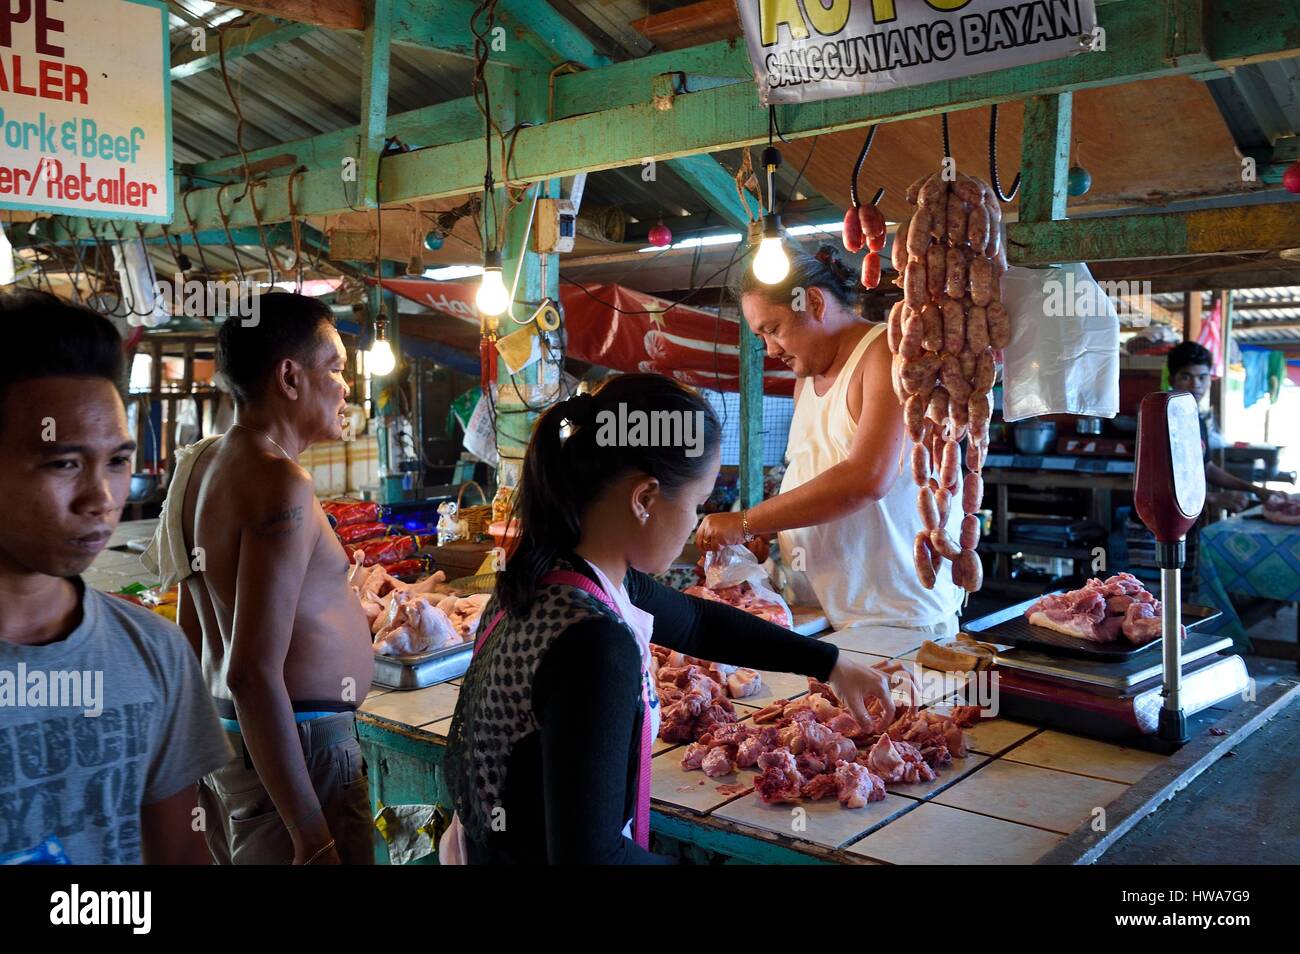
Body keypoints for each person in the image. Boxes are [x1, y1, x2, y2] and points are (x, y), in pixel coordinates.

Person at [443, 374, 896, 864]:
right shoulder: (592, 643)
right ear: (644, 499)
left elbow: (700, 623)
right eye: (698, 504)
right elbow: (591, 860)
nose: (696, 523)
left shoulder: (554, 572)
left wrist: (830, 662)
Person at [144, 293, 375, 865]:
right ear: (290, 377)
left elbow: (192, 635)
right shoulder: (281, 484)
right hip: (299, 753)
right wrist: (311, 835)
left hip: (238, 748)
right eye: (337, 369)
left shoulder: (200, 464)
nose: (347, 387)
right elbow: (251, 672)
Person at [0, 291, 230, 864]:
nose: (101, 499)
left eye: (117, 461)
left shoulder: (152, 652)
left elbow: (180, 852)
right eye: (64, 463)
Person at [696, 249, 964, 637]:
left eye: (773, 329)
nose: (770, 349)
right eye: (761, 336)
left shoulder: (884, 353)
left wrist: (746, 521)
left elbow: (866, 479)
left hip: (896, 618)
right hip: (822, 614)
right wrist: (767, 530)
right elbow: (818, 471)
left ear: (815, 302)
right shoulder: (806, 378)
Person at [1166, 341, 1281, 512]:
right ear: (1171, 380)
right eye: (1186, 376)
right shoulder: (1162, 418)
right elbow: (1156, 479)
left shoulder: (1196, 421)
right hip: (1154, 526)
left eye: (1202, 377)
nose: (1196, 384)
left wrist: (1256, 490)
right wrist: (1213, 497)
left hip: (1185, 519)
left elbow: (1207, 469)